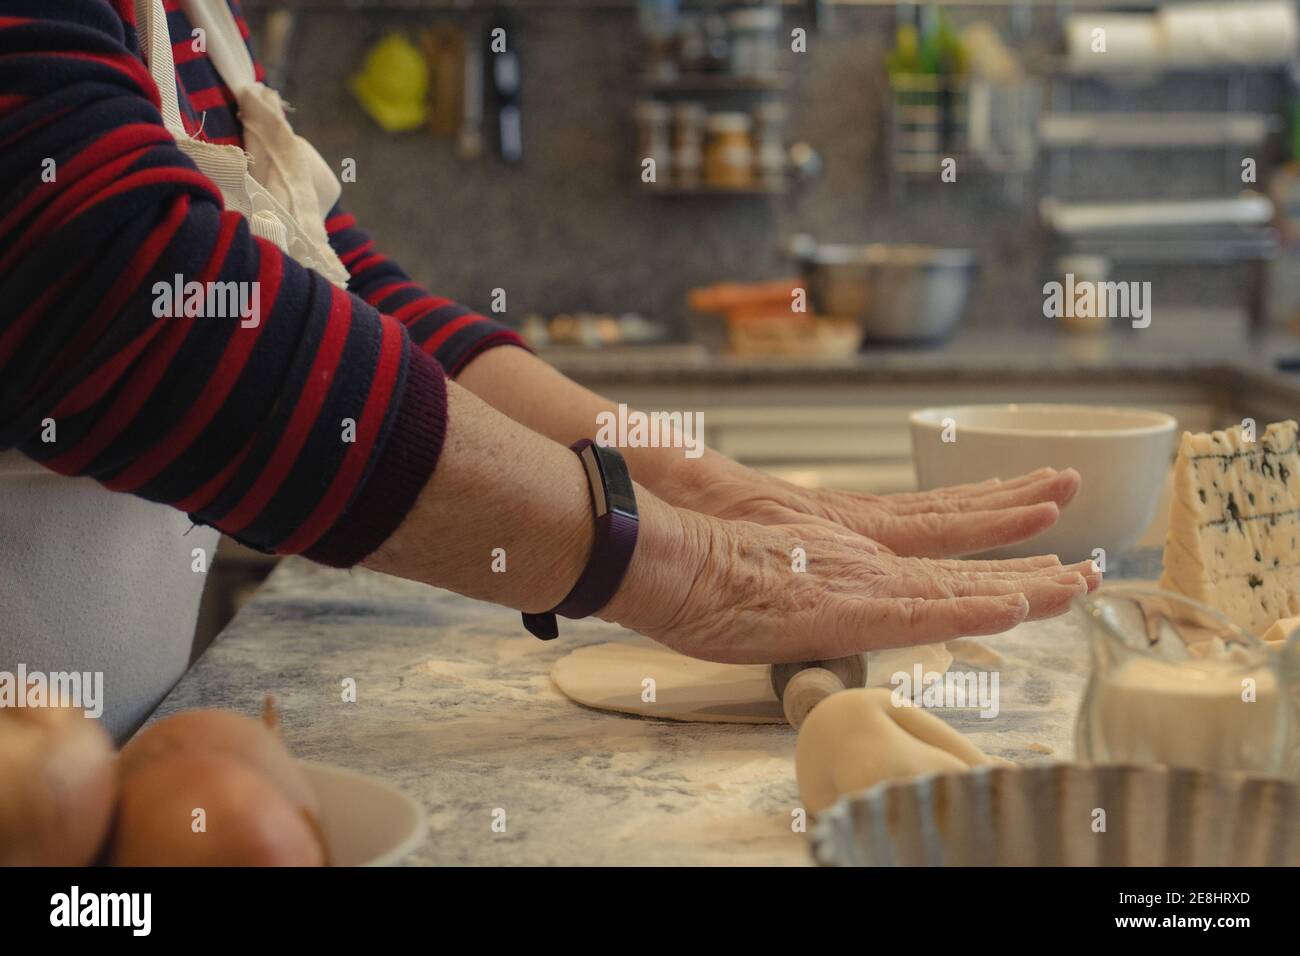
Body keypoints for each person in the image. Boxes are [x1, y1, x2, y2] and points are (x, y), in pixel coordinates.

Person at [0, 0, 1098, 740]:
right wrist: (679, 566)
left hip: (90, 755)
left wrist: (705, 491)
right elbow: (119, 286)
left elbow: (335, 289)